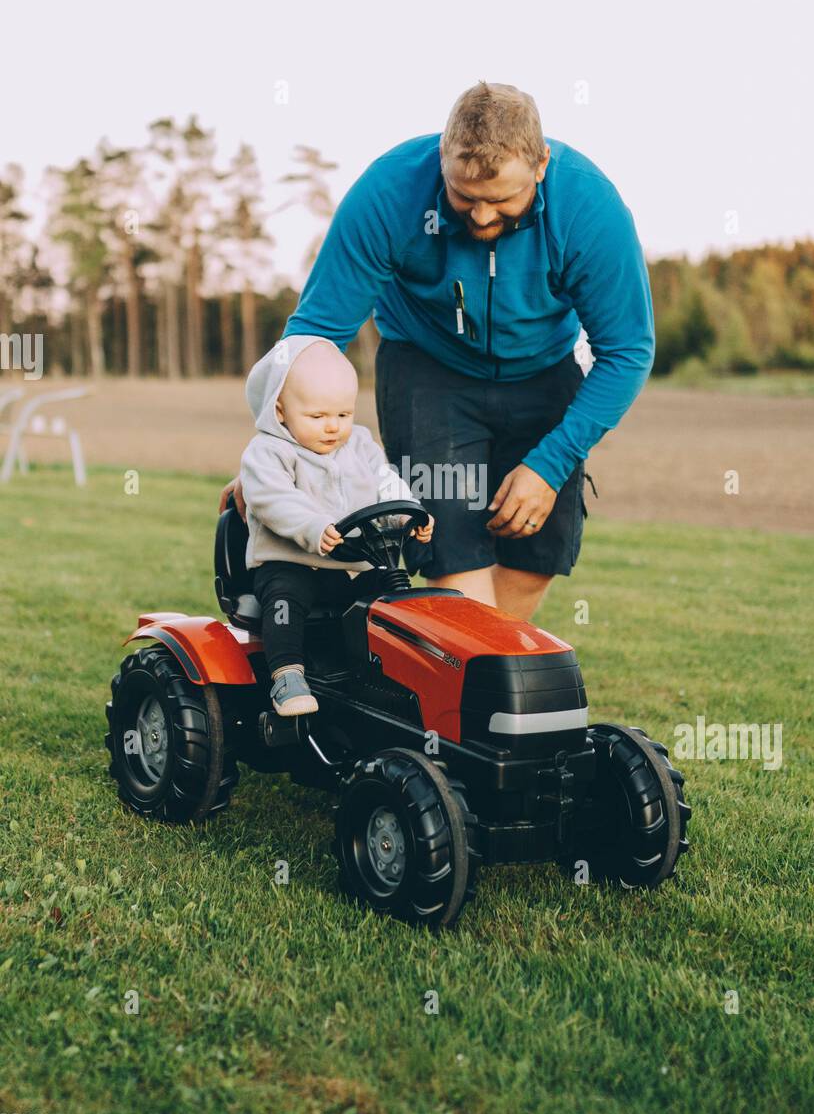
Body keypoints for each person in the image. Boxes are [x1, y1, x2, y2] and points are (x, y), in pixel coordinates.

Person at [221, 81, 654, 621]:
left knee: (534, 550)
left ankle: (476, 693)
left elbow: (628, 351)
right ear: (441, 160)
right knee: (454, 551)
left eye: (500, 200)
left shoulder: (591, 209)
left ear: (541, 164)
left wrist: (550, 463)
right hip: (428, 370)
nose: (480, 217)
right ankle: (472, 697)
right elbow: (313, 335)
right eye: (463, 195)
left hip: (543, 371)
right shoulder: (389, 192)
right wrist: (272, 445)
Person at [240, 334, 431, 716]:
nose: (332, 427)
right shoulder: (268, 452)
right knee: (285, 597)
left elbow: (385, 483)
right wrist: (314, 526)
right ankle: (287, 676)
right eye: (317, 417)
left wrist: (409, 513)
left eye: (343, 415)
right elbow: (272, 500)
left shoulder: (360, 445)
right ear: (280, 411)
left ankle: (400, 679)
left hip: (352, 568)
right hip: (290, 564)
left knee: (399, 598)